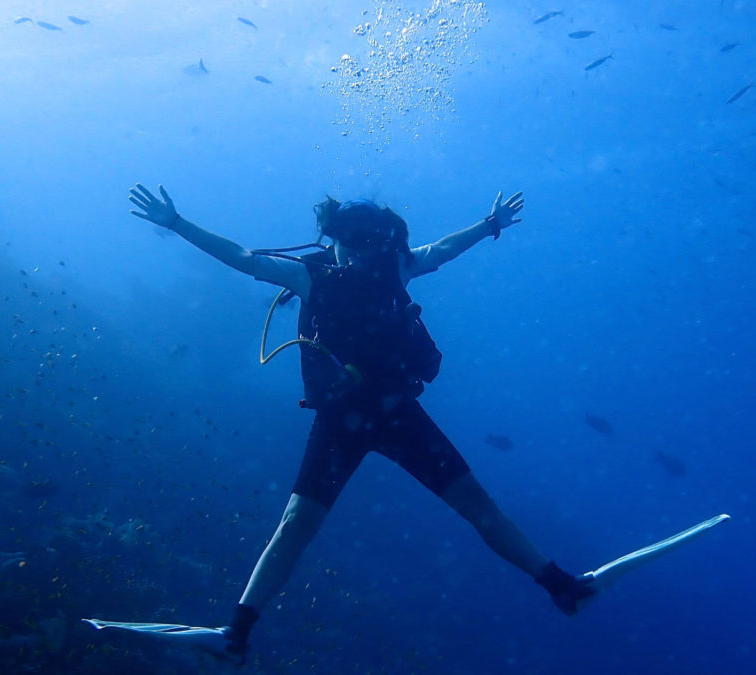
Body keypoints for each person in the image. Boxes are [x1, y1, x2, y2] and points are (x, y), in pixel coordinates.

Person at [122, 183, 598, 664]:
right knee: (297, 526)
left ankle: (558, 584)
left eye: (365, 240)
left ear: (380, 240)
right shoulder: (315, 276)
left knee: (476, 506)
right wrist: (176, 224)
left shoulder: (393, 266)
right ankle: (236, 634)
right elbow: (243, 257)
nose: (354, 251)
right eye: (346, 239)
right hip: (348, 421)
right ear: (331, 236)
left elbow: (444, 249)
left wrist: (490, 224)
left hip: (391, 413)